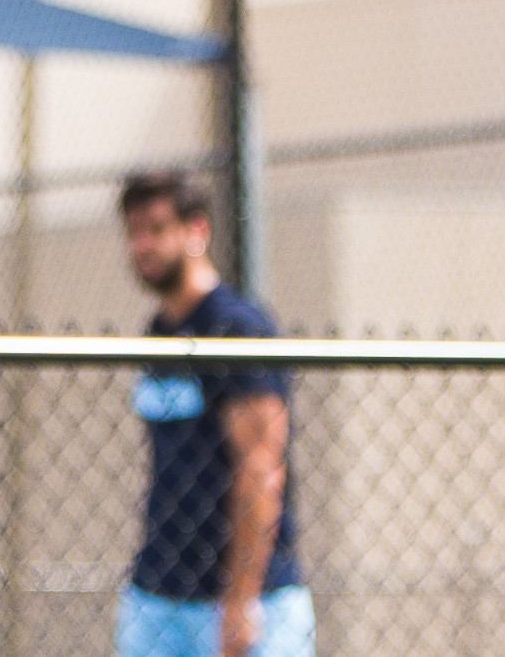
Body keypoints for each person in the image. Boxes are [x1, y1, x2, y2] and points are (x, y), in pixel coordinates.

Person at [115, 171, 314, 657]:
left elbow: (260, 468)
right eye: (134, 232)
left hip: (241, 599)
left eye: (157, 229)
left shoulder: (236, 327)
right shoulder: (159, 331)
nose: (143, 244)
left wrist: (241, 599)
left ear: (196, 230)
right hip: (159, 597)